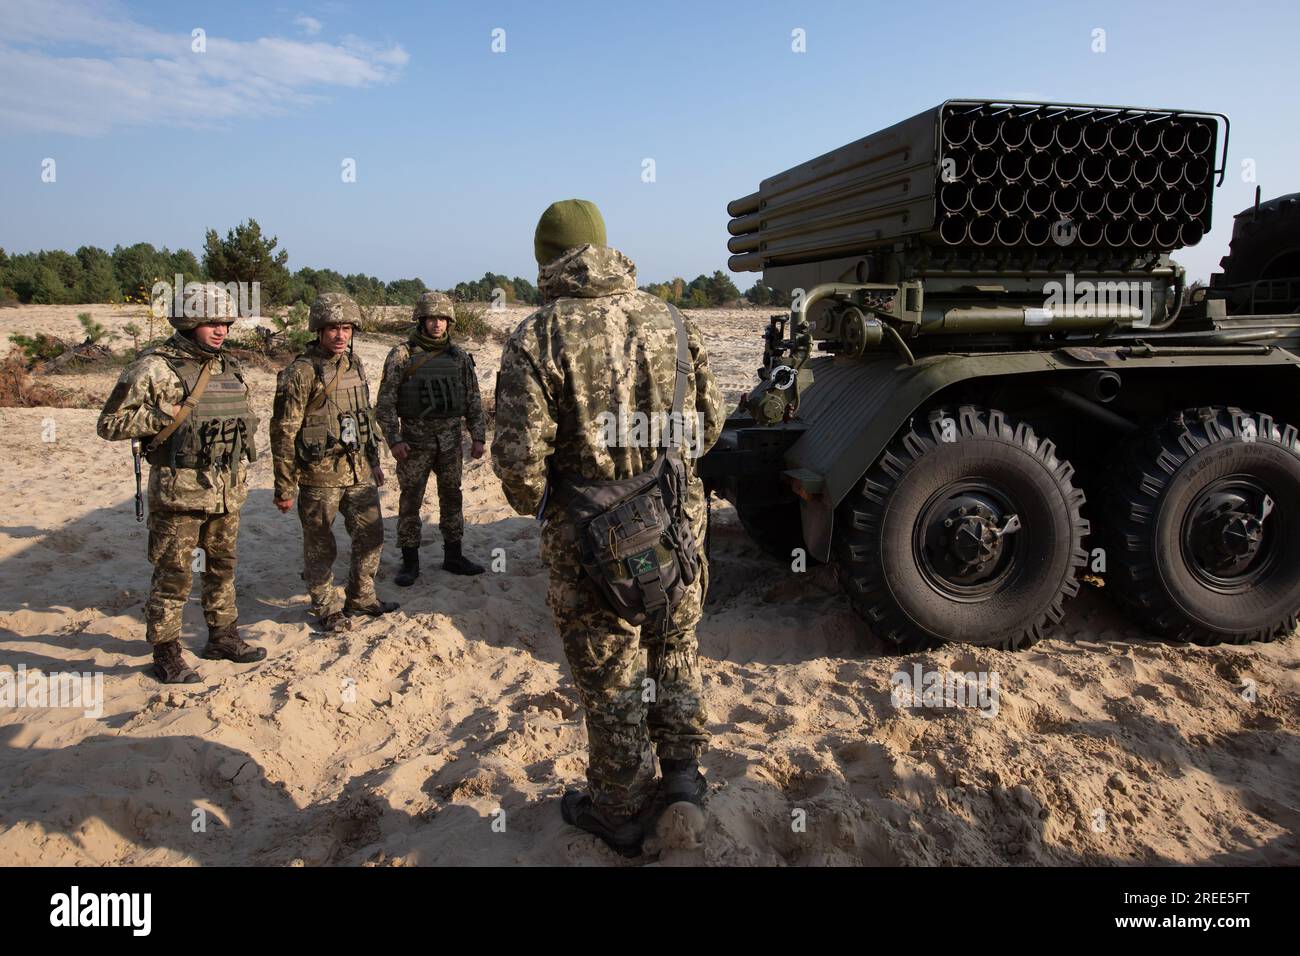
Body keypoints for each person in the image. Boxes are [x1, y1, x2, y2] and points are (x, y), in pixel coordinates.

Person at [491, 199, 724, 855]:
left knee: (611, 674)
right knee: (673, 647)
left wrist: (551, 495)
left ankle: (621, 807)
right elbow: (707, 429)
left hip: (590, 533)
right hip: (676, 515)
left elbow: (518, 467)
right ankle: (682, 782)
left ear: (546, 261)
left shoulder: (537, 338)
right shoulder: (672, 321)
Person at [97, 284, 266, 684]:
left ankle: (222, 636)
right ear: (189, 322)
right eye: (211, 322)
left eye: (225, 322)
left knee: (222, 568)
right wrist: (163, 415)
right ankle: (167, 651)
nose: (221, 330)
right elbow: (109, 423)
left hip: (225, 491)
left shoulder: (228, 366)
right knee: (174, 575)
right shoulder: (154, 366)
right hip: (180, 493)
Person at [270, 292, 398, 632]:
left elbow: (364, 416)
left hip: (358, 470)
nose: (340, 335)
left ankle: (362, 596)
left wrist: (374, 460)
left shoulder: (353, 364)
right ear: (318, 330)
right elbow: (283, 432)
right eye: (332, 329)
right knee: (320, 544)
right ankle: (326, 606)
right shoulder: (300, 373)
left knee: (372, 535)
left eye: (345, 328)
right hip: (318, 474)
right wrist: (284, 486)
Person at [376, 291, 487, 584]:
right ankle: (410, 562)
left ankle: (454, 555)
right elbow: (385, 403)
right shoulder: (401, 355)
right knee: (411, 500)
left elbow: (473, 398)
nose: (437, 324)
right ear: (421, 320)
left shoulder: (459, 356)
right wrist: (394, 439)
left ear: (448, 322)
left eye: (442, 318)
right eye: (431, 318)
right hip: (414, 443)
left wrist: (478, 436)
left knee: (452, 497)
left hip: (450, 442)